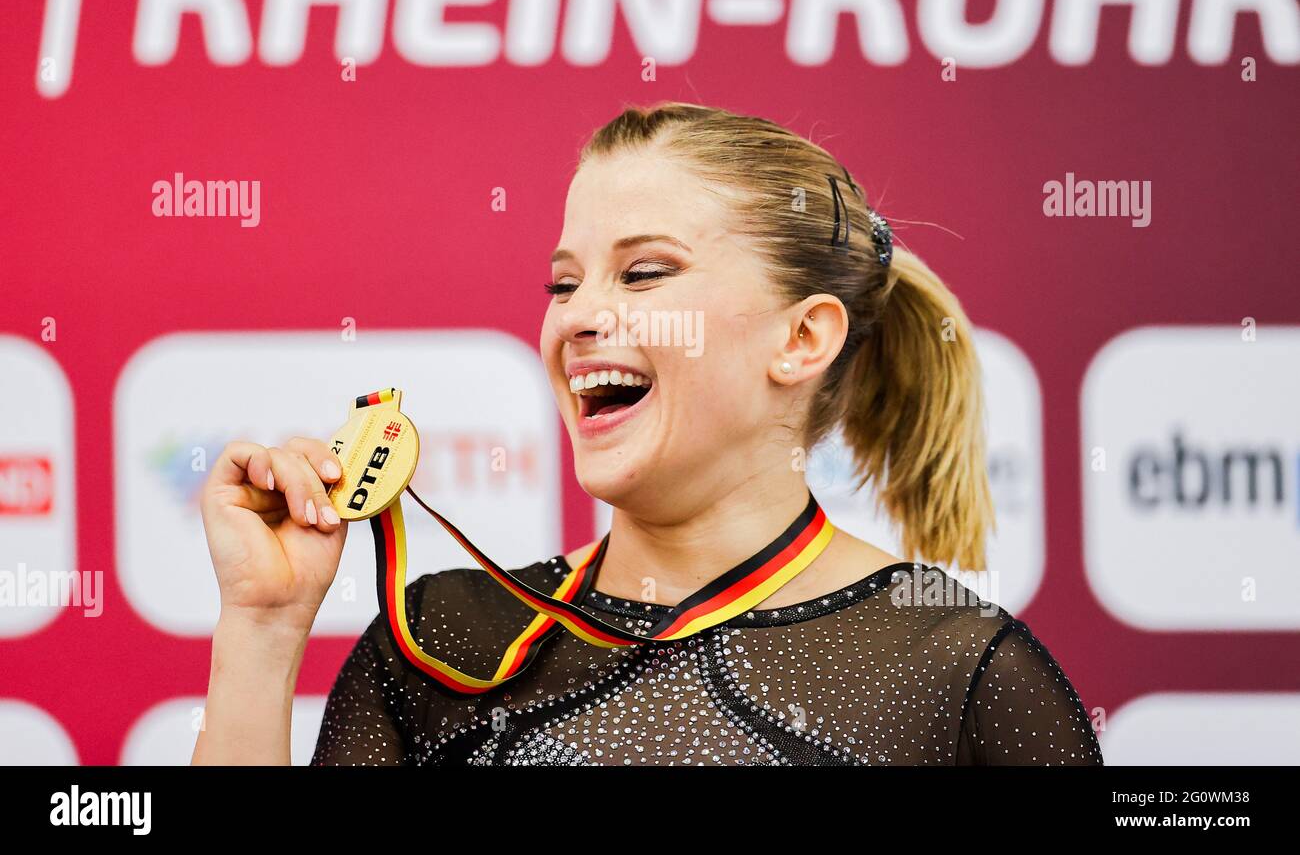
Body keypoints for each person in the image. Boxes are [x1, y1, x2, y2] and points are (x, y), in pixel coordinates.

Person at [192, 102, 1103, 766]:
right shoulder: (440, 641)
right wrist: (263, 632)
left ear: (800, 338)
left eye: (644, 273)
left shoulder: (958, 672)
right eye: (563, 283)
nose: (580, 317)